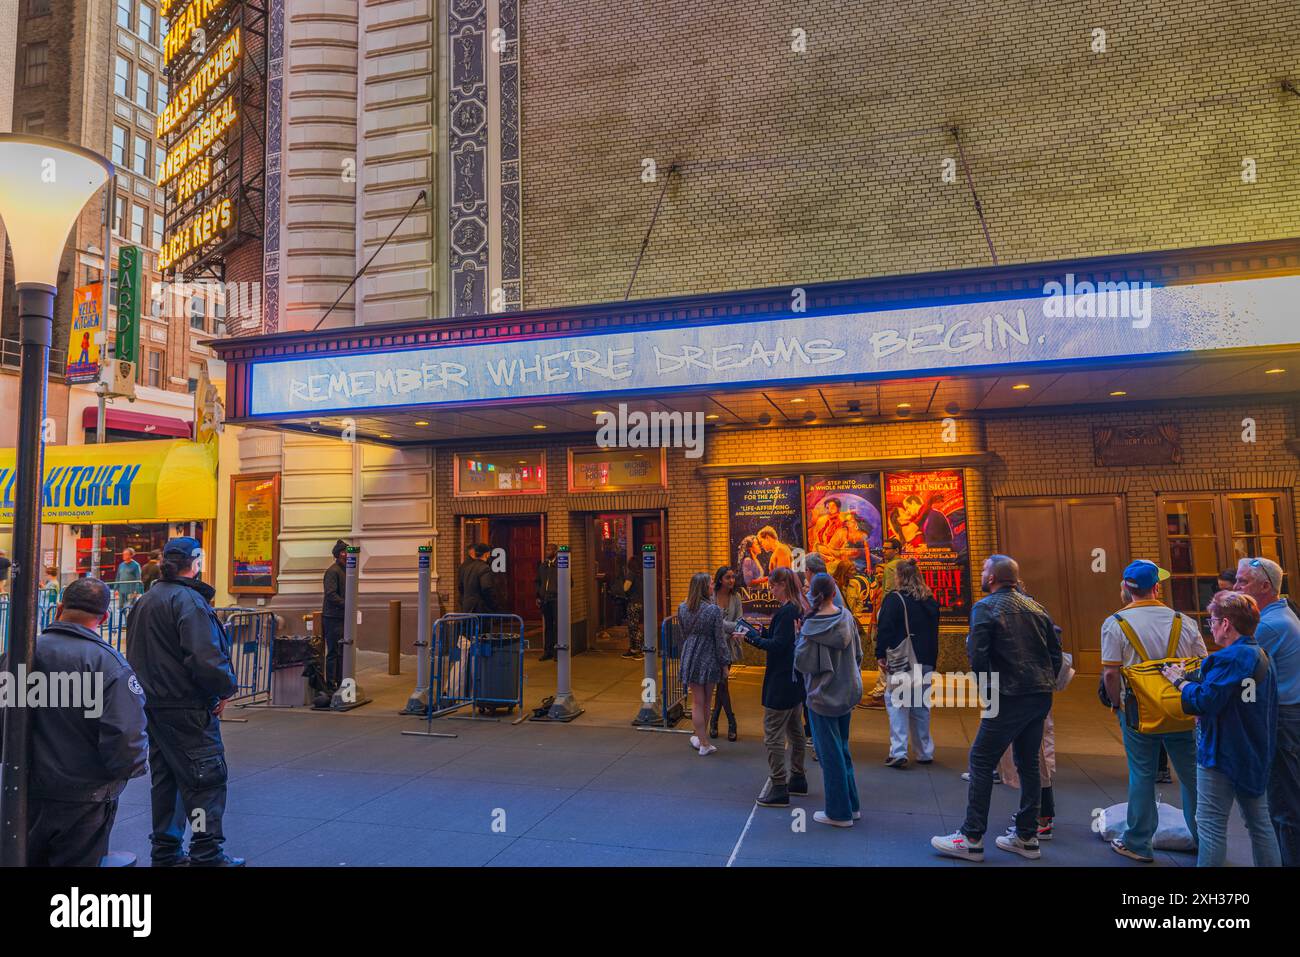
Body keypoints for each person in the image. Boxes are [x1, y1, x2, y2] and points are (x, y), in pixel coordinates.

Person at [7, 578, 148, 866]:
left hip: (25, 789)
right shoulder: (109, 665)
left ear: (59, 609)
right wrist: (121, 775)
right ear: (105, 617)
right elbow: (125, 737)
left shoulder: (20, 654)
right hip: (84, 795)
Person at [932, 555, 1061, 862]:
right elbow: (1055, 654)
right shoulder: (1036, 607)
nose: (980, 574)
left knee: (980, 758)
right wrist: (1046, 683)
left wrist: (988, 692)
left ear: (992, 578)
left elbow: (978, 656)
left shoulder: (985, 608)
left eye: (983, 571)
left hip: (1007, 694)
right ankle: (1027, 836)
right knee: (1028, 761)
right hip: (1039, 694)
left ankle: (971, 836)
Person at [125, 537, 242, 866]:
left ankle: (167, 850)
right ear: (195, 563)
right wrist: (224, 689)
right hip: (186, 706)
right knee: (203, 783)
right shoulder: (187, 601)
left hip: (156, 706)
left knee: (168, 781)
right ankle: (205, 850)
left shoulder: (147, 600)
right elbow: (205, 658)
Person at [1163, 590, 1281, 867]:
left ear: (1226, 624)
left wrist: (1181, 683)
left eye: (1212, 621)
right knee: (1260, 824)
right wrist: (1193, 678)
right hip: (1256, 750)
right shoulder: (1262, 655)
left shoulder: (1229, 659)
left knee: (1211, 825)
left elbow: (1205, 701)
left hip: (1221, 753)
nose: (1211, 627)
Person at [1100, 559, 1205, 863]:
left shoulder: (1115, 623)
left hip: (1138, 711)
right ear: (1156, 587)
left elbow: (1110, 673)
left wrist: (1116, 704)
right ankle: (1205, 838)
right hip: (1181, 708)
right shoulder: (1182, 621)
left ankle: (1138, 842)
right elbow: (1202, 663)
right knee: (1192, 775)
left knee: (1142, 774)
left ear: (1126, 588)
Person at [1233, 556, 1300, 866]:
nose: (1235, 587)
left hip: (1282, 720)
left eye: (1242, 581)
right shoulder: (1282, 615)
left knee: (1283, 803)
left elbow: (1235, 665)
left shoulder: (1270, 625)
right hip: (1286, 715)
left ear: (1265, 586)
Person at [796, 573, 863, 826]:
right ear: (834, 593)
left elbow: (802, 663)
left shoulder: (810, 627)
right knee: (843, 749)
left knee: (829, 754)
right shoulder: (846, 618)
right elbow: (858, 653)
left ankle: (838, 812)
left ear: (813, 594)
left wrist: (799, 637)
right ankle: (852, 804)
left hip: (821, 696)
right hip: (847, 691)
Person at [746, 567, 809, 807]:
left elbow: (778, 645)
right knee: (795, 730)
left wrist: (752, 638)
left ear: (783, 585)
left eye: (773, 585)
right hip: (794, 679)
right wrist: (764, 633)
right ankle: (798, 777)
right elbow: (783, 639)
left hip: (781, 680)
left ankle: (779, 785)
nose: (771, 589)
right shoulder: (797, 609)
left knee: (773, 734)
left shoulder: (786, 611)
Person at [876, 558, 939, 768]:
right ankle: (924, 751)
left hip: (903, 659)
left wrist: (880, 654)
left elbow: (885, 629)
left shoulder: (894, 599)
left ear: (899, 576)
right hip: (926, 658)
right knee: (921, 706)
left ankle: (899, 750)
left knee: (897, 703)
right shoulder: (930, 600)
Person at [678, 572, 740, 756]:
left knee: (697, 700)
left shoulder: (682, 607)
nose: (713, 586)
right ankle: (703, 742)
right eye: (711, 583)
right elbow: (719, 639)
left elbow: (682, 632)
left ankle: (700, 738)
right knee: (706, 701)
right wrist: (724, 663)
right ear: (705, 587)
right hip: (709, 655)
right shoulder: (713, 610)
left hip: (690, 653)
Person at [710, 565, 742, 740]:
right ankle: (729, 721)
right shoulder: (711, 596)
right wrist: (725, 626)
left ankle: (718, 720)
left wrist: (720, 624)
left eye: (733, 577)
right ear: (720, 579)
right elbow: (708, 620)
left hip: (728, 647)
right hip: (712, 646)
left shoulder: (736, 597)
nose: (732, 580)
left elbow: (739, 622)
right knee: (721, 683)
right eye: (728, 577)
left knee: (722, 682)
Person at [322, 539, 348, 690]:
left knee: (342, 651)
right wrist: (346, 604)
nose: (348, 555)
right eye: (345, 552)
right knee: (333, 651)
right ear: (339, 554)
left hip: (342, 616)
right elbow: (330, 594)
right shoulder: (333, 571)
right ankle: (331, 684)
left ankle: (340, 680)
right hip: (332, 617)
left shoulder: (345, 571)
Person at [458, 542, 498, 614]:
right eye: (489, 554)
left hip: (467, 608)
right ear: (486, 554)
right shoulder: (484, 568)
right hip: (480, 609)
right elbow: (486, 588)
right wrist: (494, 605)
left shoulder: (468, 567)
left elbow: (461, 586)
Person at [535, 543, 559, 661]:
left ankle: (557, 651)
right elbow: (538, 581)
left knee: (557, 626)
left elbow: (568, 582)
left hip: (556, 599)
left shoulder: (560, 565)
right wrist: (538, 596)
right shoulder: (543, 566)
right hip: (545, 600)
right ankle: (547, 651)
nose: (547, 551)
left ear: (555, 551)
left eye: (550, 549)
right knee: (548, 626)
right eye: (546, 549)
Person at [619, 554, 645, 660]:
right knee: (635, 625)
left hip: (633, 603)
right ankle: (635, 649)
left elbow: (626, 587)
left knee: (633, 627)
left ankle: (638, 649)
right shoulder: (641, 574)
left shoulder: (631, 574)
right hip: (641, 602)